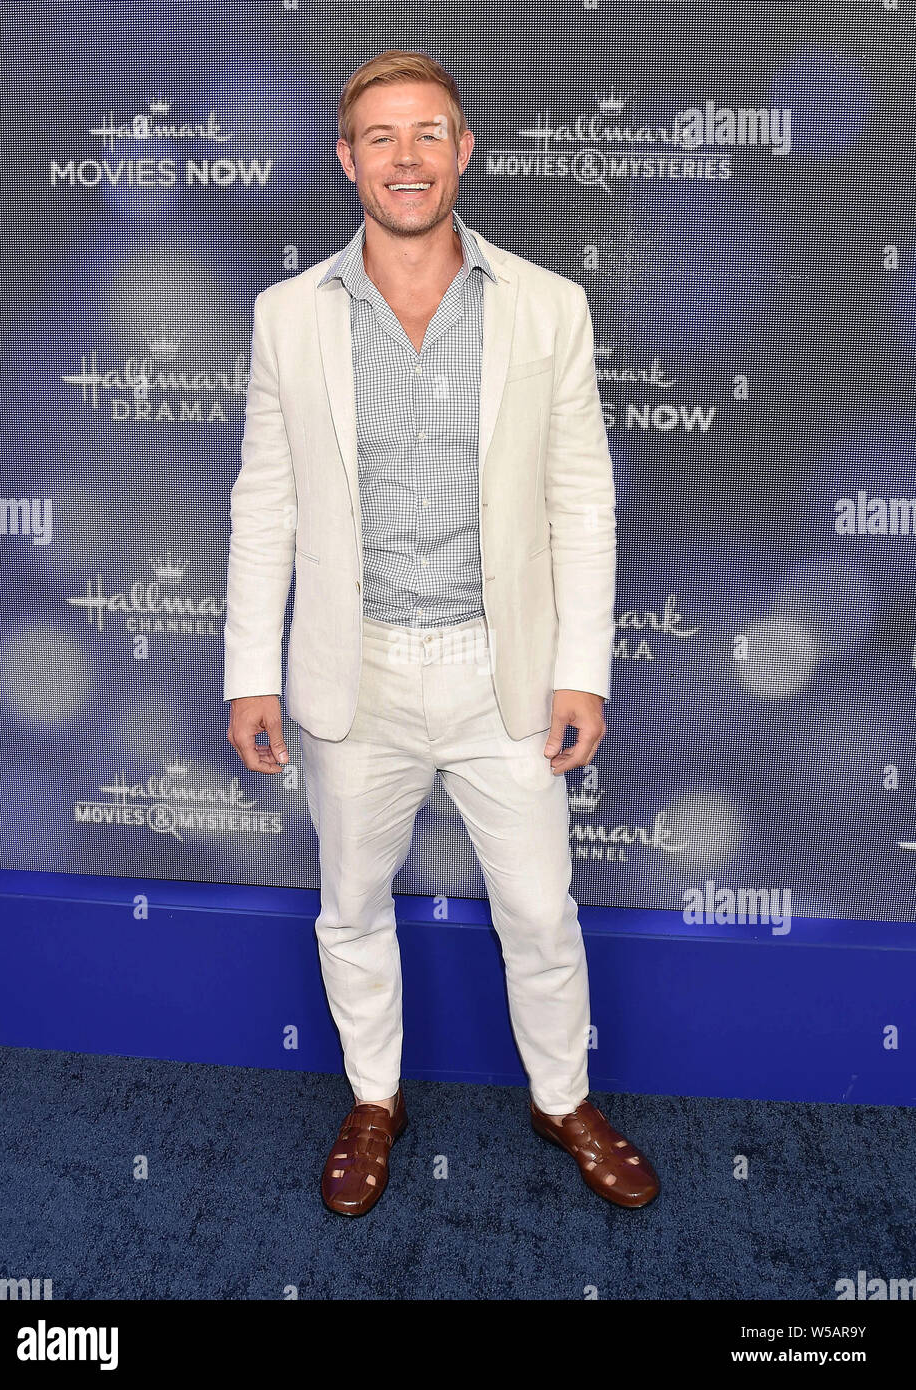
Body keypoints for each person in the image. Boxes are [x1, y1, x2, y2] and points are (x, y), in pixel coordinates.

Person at [224, 49, 660, 1216]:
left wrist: (580, 671)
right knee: (352, 904)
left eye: (428, 134)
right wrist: (247, 674)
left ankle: (561, 1098)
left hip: (498, 668)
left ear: (463, 151)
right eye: (381, 137)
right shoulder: (286, 317)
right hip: (346, 669)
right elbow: (263, 501)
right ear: (347, 159)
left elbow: (583, 501)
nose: (406, 157)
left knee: (537, 908)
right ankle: (374, 1098)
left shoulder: (548, 306)